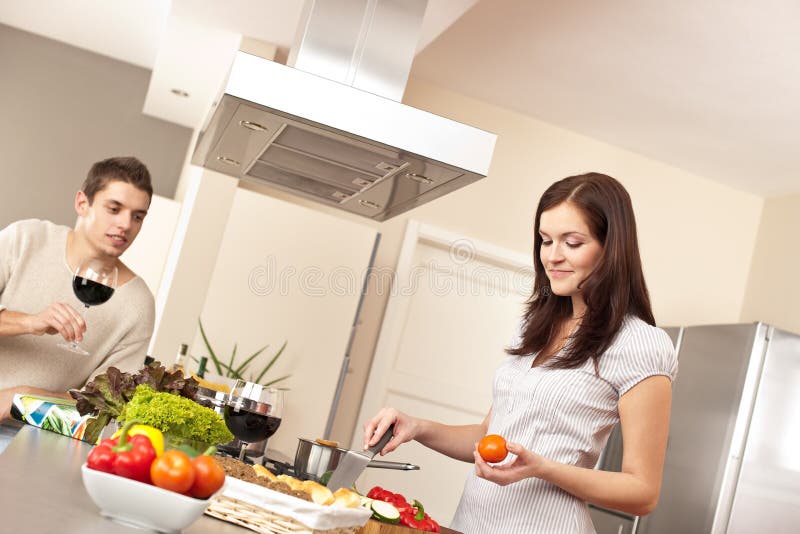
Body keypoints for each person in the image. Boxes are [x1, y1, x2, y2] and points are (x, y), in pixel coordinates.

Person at [363, 173, 678, 533]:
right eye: (545, 241)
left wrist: (542, 468)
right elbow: (489, 437)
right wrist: (417, 427)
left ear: (612, 248)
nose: (552, 256)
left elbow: (642, 492)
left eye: (572, 243)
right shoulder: (535, 326)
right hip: (470, 524)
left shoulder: (639, 344)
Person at [0, 157, 156, 421]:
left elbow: (105, 403)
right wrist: (30, 322)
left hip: (28, 434)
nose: (126, 225)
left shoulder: (139, 304)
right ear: (82, 203)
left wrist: (23, 397)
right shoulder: (25, 238)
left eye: (137, 216)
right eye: (114, 209)